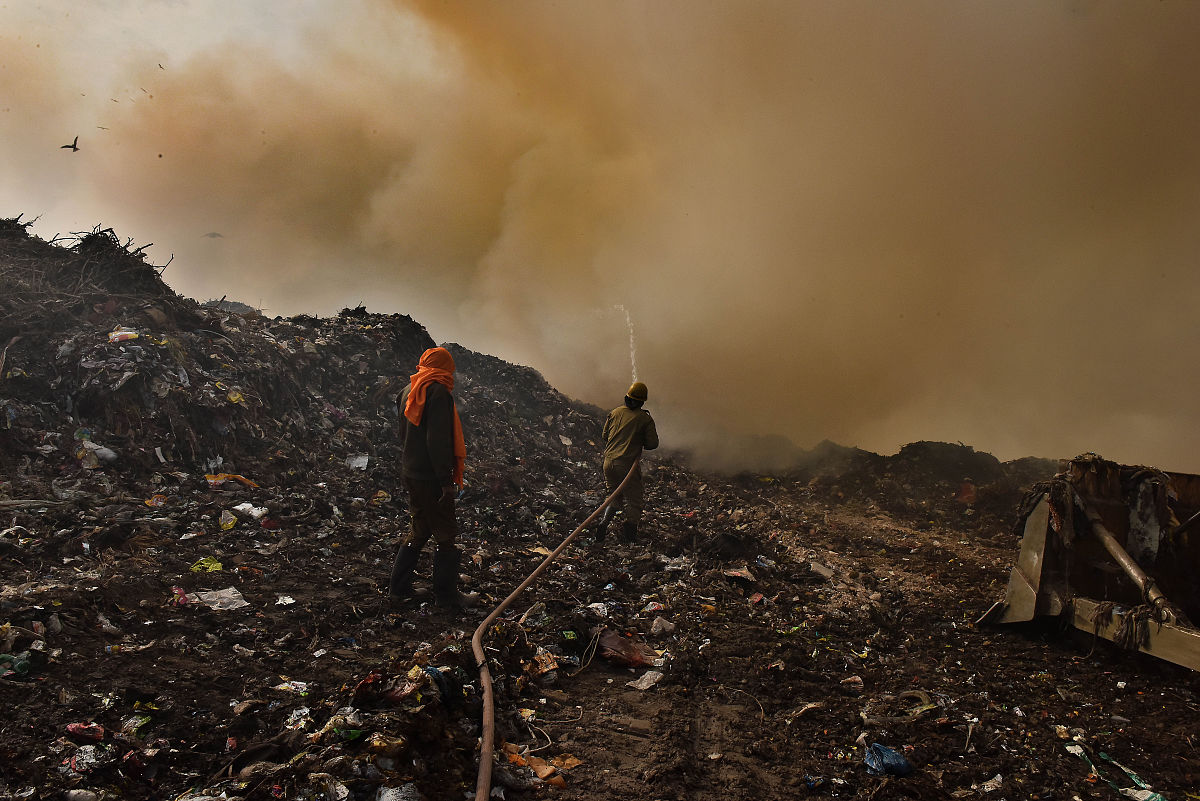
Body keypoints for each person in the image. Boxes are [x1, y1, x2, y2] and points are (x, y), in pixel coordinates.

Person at [388, 347, 477, 608]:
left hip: (411, 472)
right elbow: (437, 441)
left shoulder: (408, 389)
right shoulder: (437, 391)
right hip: (428, 476)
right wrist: (445, 482)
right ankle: (448, 596)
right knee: (446, 532)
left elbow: (404, 433)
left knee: (420, 527)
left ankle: (399, 589)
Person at [596, 381, 659, 542]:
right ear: (642, 401)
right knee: (634, 500)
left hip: (608, 463)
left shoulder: (615, 412)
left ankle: (604, 523)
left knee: (613, 496)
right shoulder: (644, 419)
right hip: (626, 465)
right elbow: (652, 444)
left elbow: (605, 436)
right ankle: (629, 539)